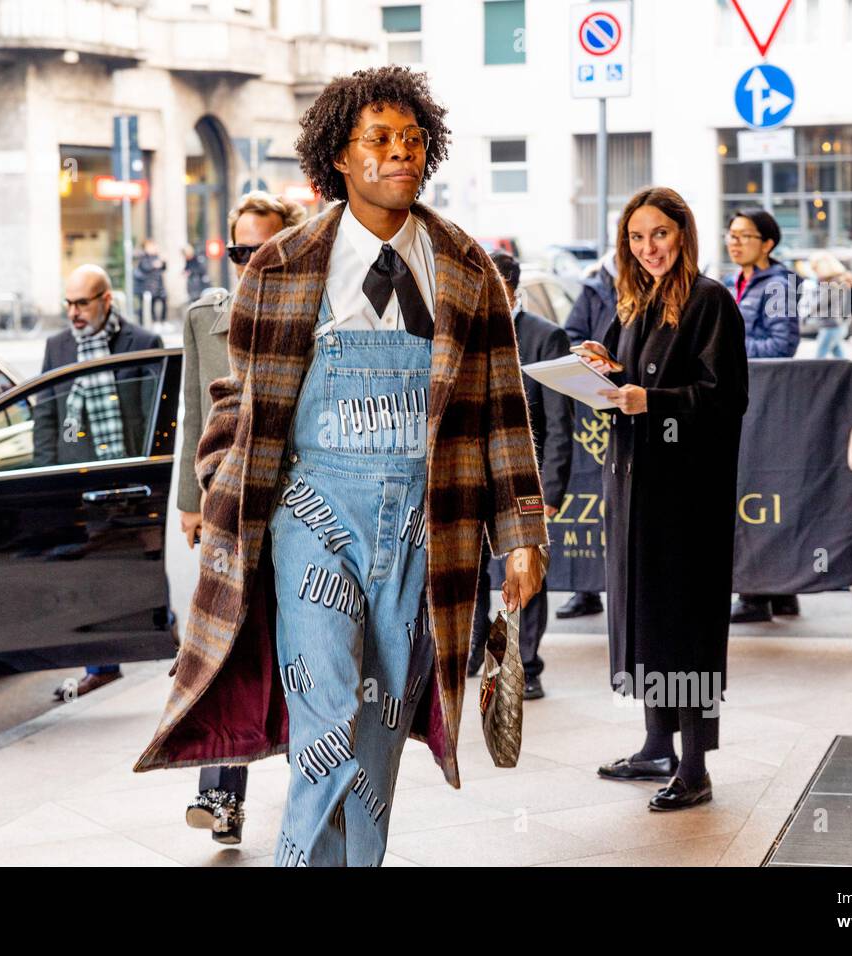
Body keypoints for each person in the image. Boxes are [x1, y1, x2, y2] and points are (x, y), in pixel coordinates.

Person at [134, 65, 548, 867]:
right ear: (338, 156)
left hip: (424, 527)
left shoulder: (467, 269)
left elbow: (504, 411)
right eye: (380, 140)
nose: (401, 154)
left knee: (379, 736)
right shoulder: (282, 266)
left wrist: (521, 531)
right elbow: (239, 396)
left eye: (413, 140)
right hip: (312, 517)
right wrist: (226, 477)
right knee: (325, 728)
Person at [576, 186, 748, 812]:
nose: (648, 248)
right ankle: (656, 745)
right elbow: (638, 381)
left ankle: (695, 766)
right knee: (645, 616)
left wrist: (656, 401)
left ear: (683, 235)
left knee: (686, 625)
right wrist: (608, 369)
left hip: (685, 498)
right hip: (636, 485)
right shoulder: (637, 304)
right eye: (637, 237)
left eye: (660, 234)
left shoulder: (710, 302)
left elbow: (724, 398)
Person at [178, 190, 305, 845]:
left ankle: (313, 793)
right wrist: (189, 502)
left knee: (301, 653)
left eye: (264, 248)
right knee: (227, 648)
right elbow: (194, 417)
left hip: (301, 514)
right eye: (239, 250)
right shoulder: (204, 318)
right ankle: (220, 798)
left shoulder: (318, 314)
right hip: (230, 510)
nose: (250, 261)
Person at [38, 264, 164, 700]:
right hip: (80, 482)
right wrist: (47, 479)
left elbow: (154, 418)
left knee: (139, 572)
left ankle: (161, 651)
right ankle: (100, 666)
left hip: (130, 481)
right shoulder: (58, 347)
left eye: (82, 303)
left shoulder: (142, 343)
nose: (73, 312)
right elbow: (46, 419)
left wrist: (155, 482)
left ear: (106, 300)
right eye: (68, 303)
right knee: (88, 573)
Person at [467, 252, 572, 701]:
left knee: (524, 571)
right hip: (472, 475)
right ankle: (471, 654)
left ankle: (527, 665)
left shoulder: (546, 337)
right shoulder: (466, 332)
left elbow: (559, 422)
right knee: (470, 575)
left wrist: (552, 488)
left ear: (510, 285)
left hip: (525, 478)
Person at [724, 207, 800, 624]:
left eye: (744, 236)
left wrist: (726, 347)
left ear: (768, 243)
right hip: (743, 402)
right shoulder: (733, 281)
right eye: (731, 235)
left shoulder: (782, 283)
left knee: (759, 496)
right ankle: (780, 592)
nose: (734, 242)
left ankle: (760, 592)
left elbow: (782, 345)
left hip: (767, 405)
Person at [556, 253, 619, 619]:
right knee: (588, 496)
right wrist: (592, 357)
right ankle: (587, 590)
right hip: (589, 403)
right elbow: (572, 336)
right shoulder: (594, 289)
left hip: (631, 402)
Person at [810, 251, 852, 359]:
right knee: (839, 355)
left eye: (815, 268)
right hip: (834, 325)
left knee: (819, 357)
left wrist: (809, 305)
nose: (814, 271)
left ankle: (817, 376)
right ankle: (846, 375)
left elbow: (820, 304)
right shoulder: (836, 281)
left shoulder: (831, 284)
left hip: (831, 326)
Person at [134, 240, 168, 325]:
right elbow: (145, 268)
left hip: (159, 285)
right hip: (147, 286)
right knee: (150, 305)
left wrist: (163, 262)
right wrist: (154, 265)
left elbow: (163, 268)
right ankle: (152, 321)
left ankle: (162, 321)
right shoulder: (143, 257)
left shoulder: (157, 257)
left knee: (163, 301)